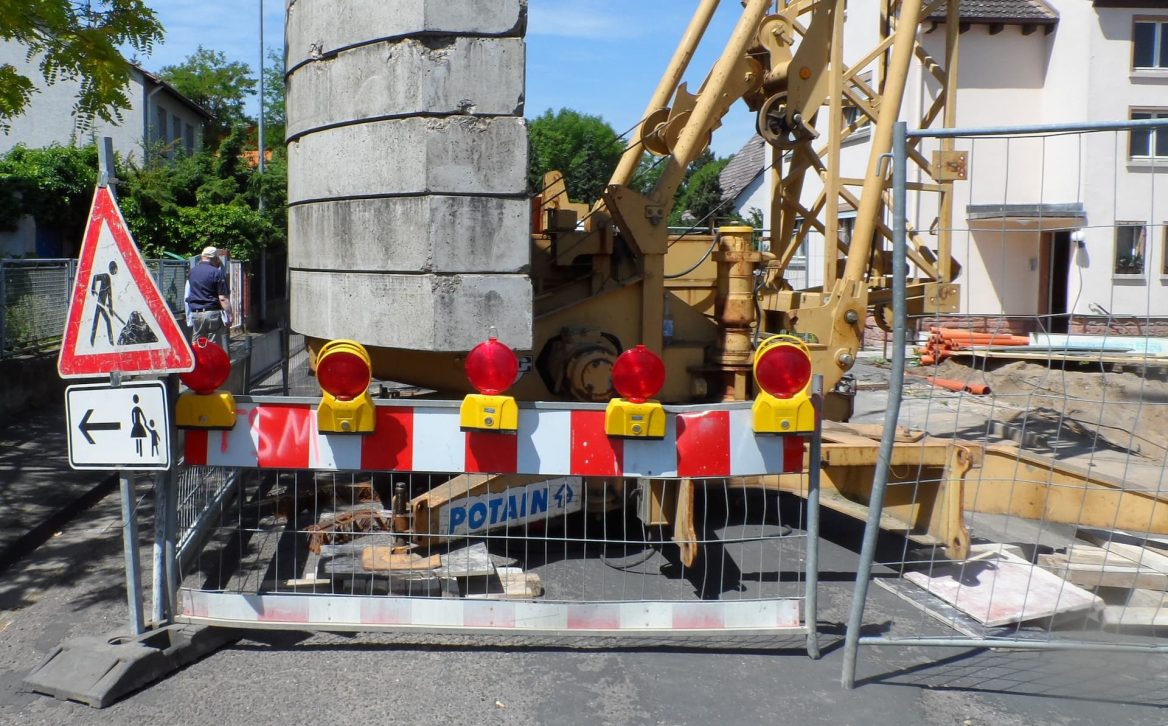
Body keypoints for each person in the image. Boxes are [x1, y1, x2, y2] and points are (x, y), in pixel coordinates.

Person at [185, 246, 232, 352]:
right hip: (212, 314)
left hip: (196, 314)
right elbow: (223, 298)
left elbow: (187, 294)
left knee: (197, 346)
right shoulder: (217, 273)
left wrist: (188, 317)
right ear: (215, 258)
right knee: (213, 347)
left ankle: (199, 367)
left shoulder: (192, 272)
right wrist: (229, 315)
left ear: (202, 257)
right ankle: (212, 367)